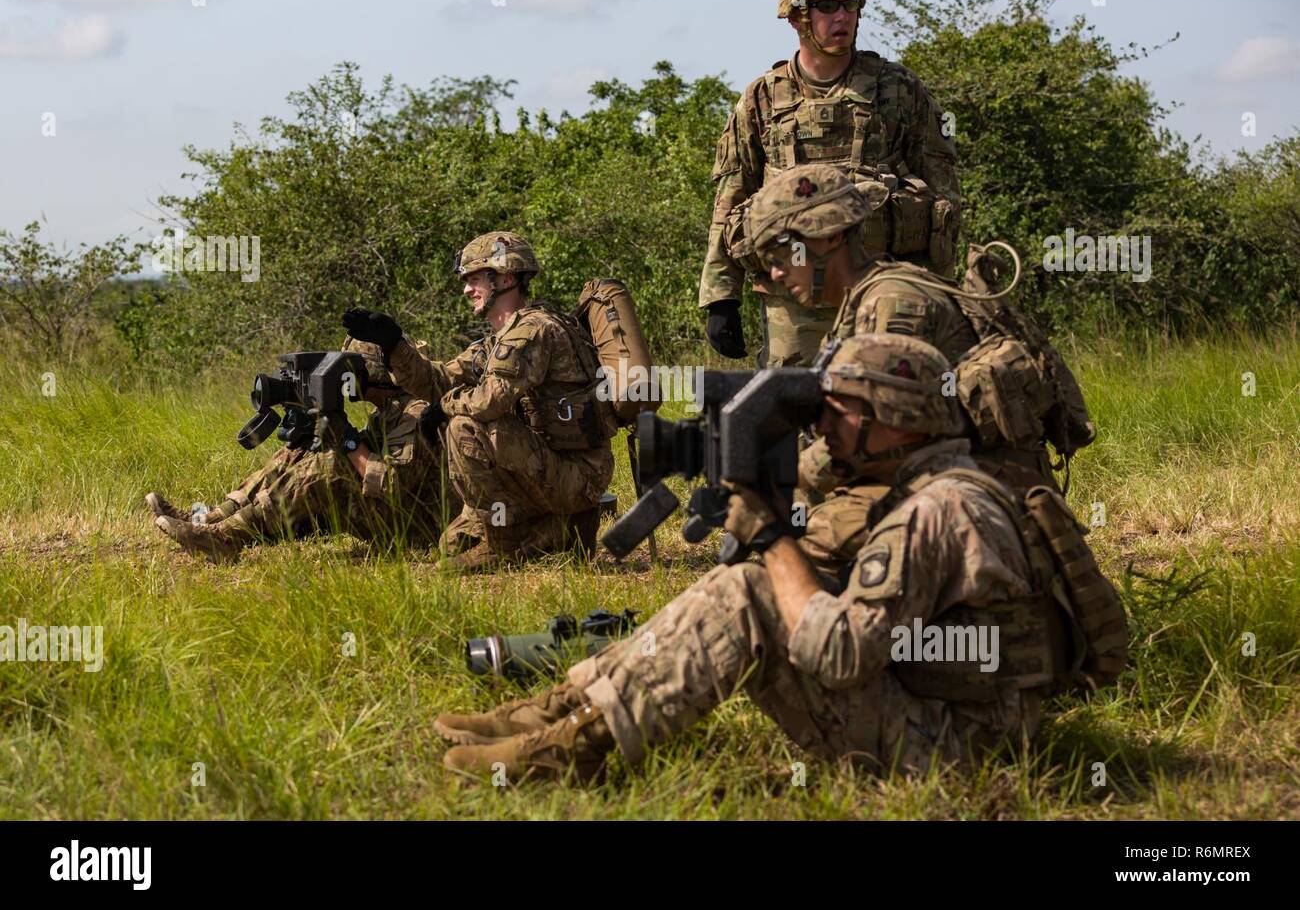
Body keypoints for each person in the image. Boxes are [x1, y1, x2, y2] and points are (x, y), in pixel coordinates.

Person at [434, 335, 1127, 784]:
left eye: (841, 411)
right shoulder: (941, 488)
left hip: (962, 755)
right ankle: (564, 711)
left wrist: (770, 540)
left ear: (897, 419)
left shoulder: (938, 511)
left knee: (751, 590)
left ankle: (571, 753)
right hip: (965, 719)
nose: (823, 427)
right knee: (751, 581)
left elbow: (839, 656)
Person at [732, 162, 1083, 501]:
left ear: (831, 237)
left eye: (781, 257)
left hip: (990, 506)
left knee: (828, 533)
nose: (776, 274)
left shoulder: (893, 304)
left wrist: (783, 477)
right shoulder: (864, 301)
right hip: (960, 490)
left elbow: (880, 434)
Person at [700, 0, 960, 368]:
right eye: (826, 6)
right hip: (793, 300)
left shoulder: (900, 89)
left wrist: (941, 286)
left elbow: (943, 191)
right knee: (794, 408)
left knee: (890, 402)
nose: (842, 17)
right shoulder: (762, 99)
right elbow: (731, 197)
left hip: (884, 287)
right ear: (797, 17)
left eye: (849, 5)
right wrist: (721, 296)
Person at [342, 231, 617, 572]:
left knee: (464, 426)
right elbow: (436, 381)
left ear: (505, 277)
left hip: (575, 475)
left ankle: (504, 543)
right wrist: (395, 343)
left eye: (474, 280)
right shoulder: (496, 341)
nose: (467, 290)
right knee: (450, 545)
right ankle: (559, 529)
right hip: (547, 467)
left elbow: (489, 402)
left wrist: (444, 407)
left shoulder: (531, 332)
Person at [148, 338, 451, 563]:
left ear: (375, 372)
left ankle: (227, 538)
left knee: (329, 466)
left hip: (416, 528)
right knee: (300, 453)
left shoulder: (416, 411)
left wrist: (346, 440)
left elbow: (392, 484)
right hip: (394, 515)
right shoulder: (387, 411)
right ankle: (211, 521)